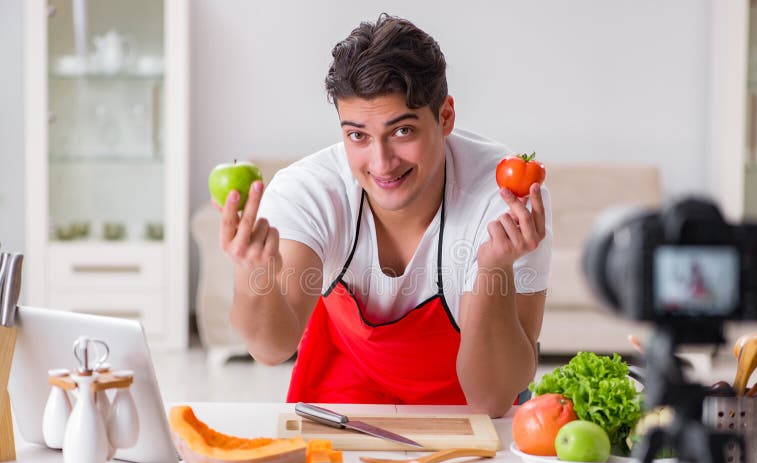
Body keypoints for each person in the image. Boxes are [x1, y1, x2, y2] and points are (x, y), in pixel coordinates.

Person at [217, 14, 552, 417]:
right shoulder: (309, 191)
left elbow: (492, 398)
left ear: (445, 117)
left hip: (465, 414)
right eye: (357, 135)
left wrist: (492, 267)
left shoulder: (505, 199)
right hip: (341, 407)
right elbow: (271, 349)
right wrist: (250, 273)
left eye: (402, 131)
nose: (382, 163)